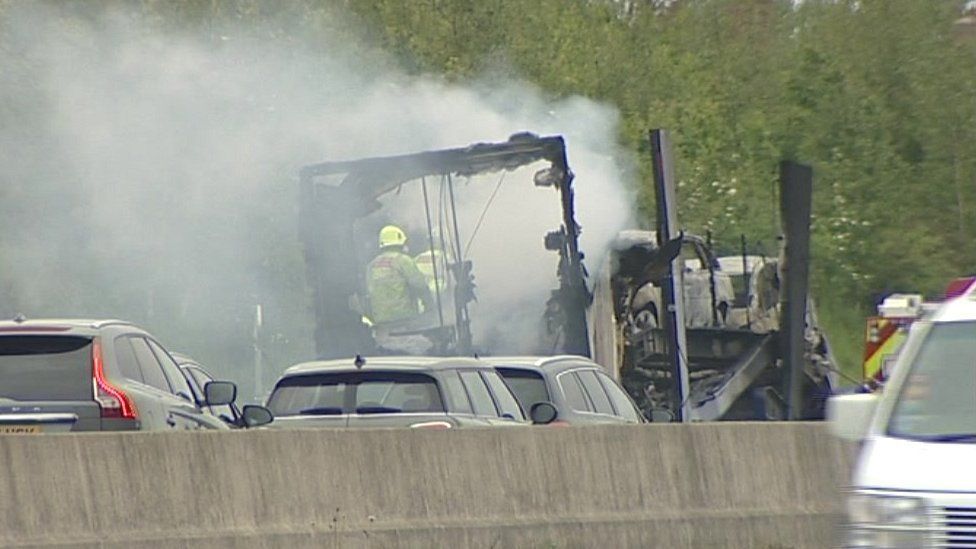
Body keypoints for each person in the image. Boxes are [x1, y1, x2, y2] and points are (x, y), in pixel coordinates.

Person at [366, 225, 434, 324]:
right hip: (406, 320)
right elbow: (420, 285)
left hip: (382, 323)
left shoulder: (371, 266)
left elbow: (369, 292)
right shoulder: (403, 260)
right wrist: (430, 306)